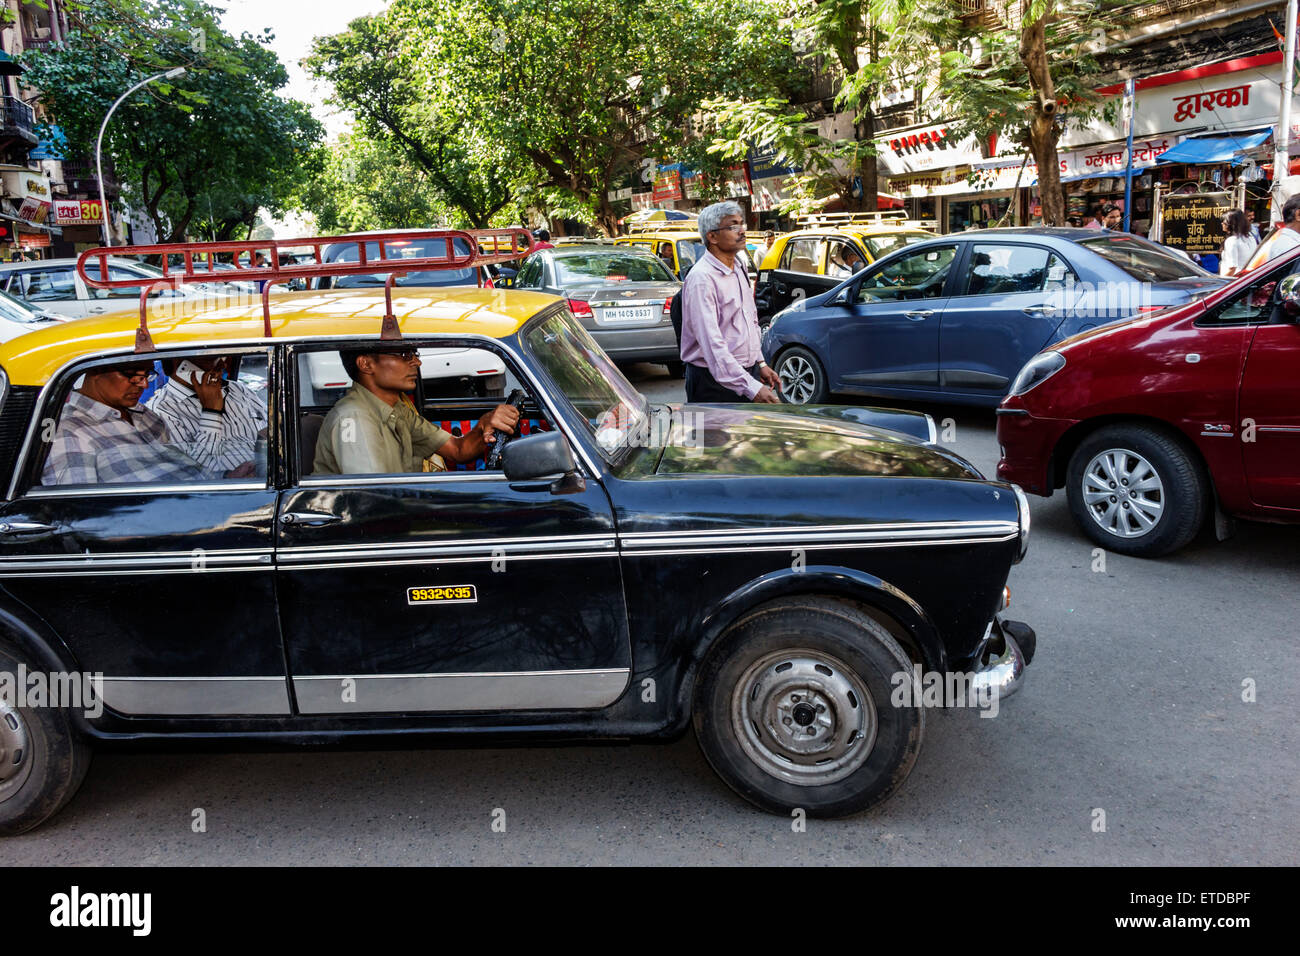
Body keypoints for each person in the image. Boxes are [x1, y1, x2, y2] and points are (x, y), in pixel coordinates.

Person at [313, 347, 520, 475]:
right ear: (366, 363)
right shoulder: (355, 418)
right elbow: (373, 500)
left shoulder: (398, 410)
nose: (417, 362)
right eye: (405, 354)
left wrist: (484, 424)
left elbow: (457, 449)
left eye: (414, 354)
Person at [679, 200, 781, 404]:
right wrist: (751, 387)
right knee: (716, 437)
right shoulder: (702, 278)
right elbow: (712, 344)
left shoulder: (740, 266)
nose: (741, 231)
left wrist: (759, 364)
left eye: (742, 224)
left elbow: (749, 322)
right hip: (712, 381)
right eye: (733, 226)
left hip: (741, 374)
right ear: (712, 236)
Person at [42, 362, 209, 486]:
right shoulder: (67, 430)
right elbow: (77, 511)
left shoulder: (147, 416)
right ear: (97, 370)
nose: (144, 385)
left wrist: (226, 476)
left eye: (147, 375)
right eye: (133, 376)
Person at [147, 355, 267, 477]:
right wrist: (211, 412)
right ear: (181, 366)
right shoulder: (160, 413)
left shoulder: (237, 389)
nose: (222, 365)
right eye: (210, 358)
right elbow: (193, 474)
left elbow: (273, 427)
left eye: (221, 356)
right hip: (235, 491)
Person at [1218, 210, 1256, 278]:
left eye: (1224, 221)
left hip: (1235, 281)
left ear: (1231, 223)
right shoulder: (1251, 238)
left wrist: (1222, 284)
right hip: (1248, 278)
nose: (1222, 223)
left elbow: (1232, 268)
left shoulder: (1231, 241)